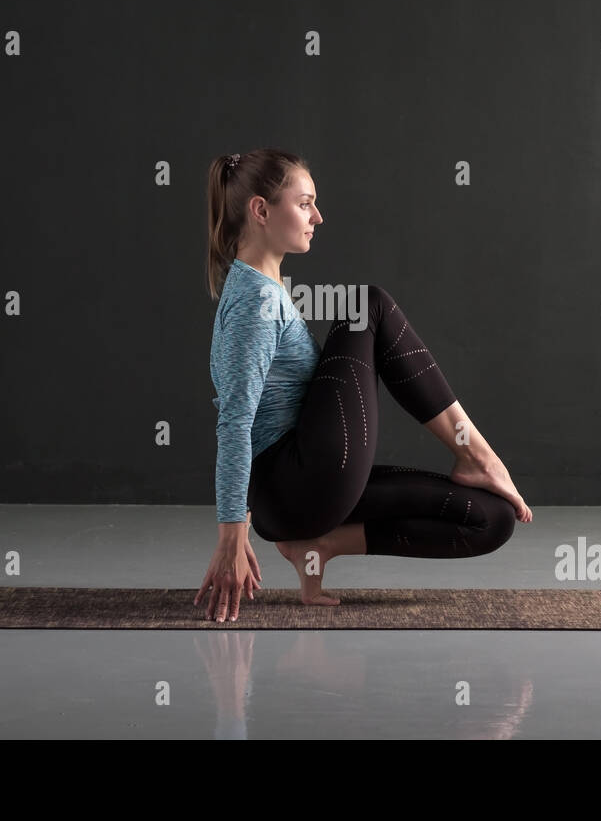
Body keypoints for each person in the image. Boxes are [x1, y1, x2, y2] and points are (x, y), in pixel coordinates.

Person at [196, 148, 533, 623]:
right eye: (305, 202)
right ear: (261, 210)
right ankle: (477, 453)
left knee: (491, 519)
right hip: (295, 483)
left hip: (299, 497)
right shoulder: (254, 303)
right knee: (368, 305)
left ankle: (319, 547)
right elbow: (236, 421)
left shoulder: (264, 291)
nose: (318, 216)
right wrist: (233, 535)